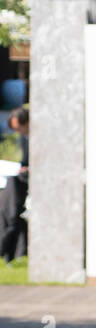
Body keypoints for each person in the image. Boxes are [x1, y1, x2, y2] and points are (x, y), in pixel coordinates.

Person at [1, 108, 29, 263]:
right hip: (20, 177)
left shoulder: (36, 137)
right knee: (8, 201)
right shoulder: (24, 138)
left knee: (12, 202)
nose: (18, 132)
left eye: (18, 128)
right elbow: (24, 160)